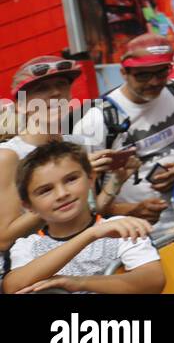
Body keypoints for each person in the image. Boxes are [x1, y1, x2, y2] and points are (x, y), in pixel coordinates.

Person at [71, 33, 174, 235]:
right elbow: (86, 207)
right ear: (124, 73)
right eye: (143, 75)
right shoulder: (95, 121)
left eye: (162, 72)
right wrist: (132, 211)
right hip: (141, 235)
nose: (154, 82)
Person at [2, 58, 134, 250]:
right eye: (42, 88)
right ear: (21, 105)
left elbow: (87, 212)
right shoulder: (8, 156)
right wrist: (60, 185)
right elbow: (4, 239)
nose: (55, 93)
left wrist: (117, 178)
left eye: (61, 85)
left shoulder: (76, 143)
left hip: (85, 254)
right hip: (36, 266)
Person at [3, 141, 165, 294]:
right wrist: (89, 235)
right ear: (28, 206)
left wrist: (79, 282)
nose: (62, 194)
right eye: (46, 190)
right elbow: (13, 286)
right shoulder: (28, 246)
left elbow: (154, 280)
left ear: (90, 178)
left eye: (71, 179)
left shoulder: (121, 227)